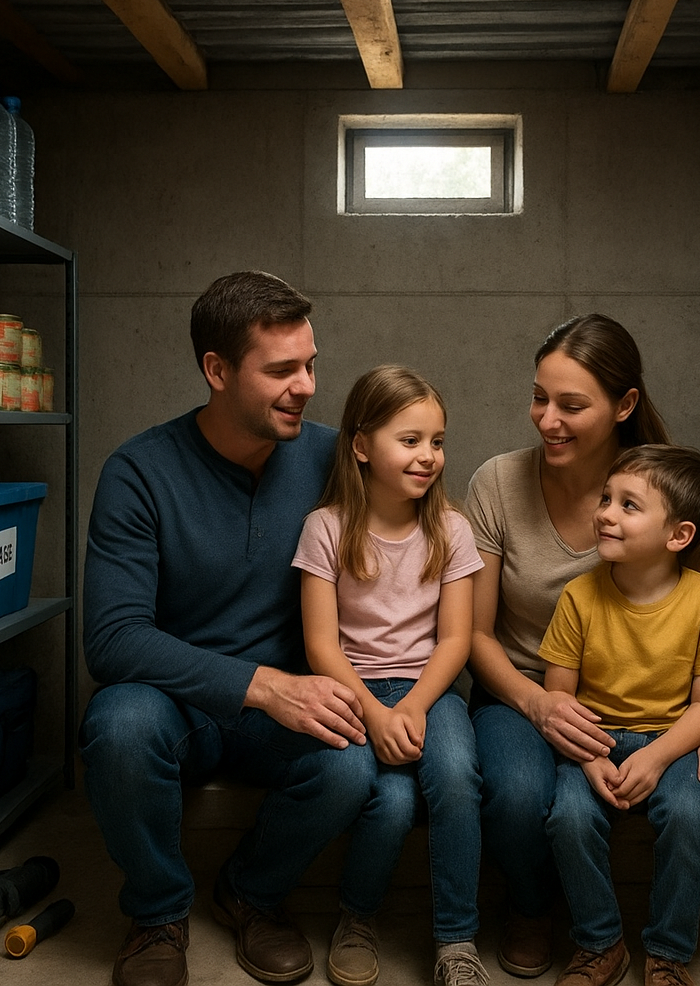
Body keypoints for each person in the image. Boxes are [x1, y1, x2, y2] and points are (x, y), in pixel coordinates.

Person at [79, 271, 377, 986]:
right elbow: (112, 639)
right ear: (216, 370)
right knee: (116, 727)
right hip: (174, 701)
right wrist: (261, 685)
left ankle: (251, 891)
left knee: (351, 763)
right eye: (281, 370)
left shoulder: (334, 457)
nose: (305, 385)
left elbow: (421, 528)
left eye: (310, 364)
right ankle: (156, 915)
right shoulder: (139, 472)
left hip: (287, 705)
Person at [464, 313, 700, 978]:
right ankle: (534, 904)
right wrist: (538, 705)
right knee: (524, 797)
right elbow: (474, 634)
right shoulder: (496, 483)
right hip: (527, 686)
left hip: (664, 704)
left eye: (571, 405)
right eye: (539, 398)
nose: (547, 419)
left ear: (624, 405)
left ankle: (661, 932)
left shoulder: (674, 492)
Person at [293, 365, 490, 986]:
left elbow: (457, 639)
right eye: (410, 440)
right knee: (390, 798)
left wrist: (413, 707)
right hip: (352, 689)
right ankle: (357, 917)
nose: (428, 456)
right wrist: (375, 713)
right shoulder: (326, 527)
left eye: (437, 441)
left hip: (430, 689)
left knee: (456, 777)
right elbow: (322, 648)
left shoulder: (451, 529)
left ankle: (457, 941)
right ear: (361, 446)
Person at [540, 445, 700, 986]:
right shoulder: (578, 597)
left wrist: (656, 756)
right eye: (607, 498)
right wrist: (586, 758)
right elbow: (560, 697)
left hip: (673, 743)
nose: (605, 512)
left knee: (690, 816)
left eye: (629, 505)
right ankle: (601, 944)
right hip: (593, 740)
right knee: (570, 818)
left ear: (678, 536)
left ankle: (669, 955)